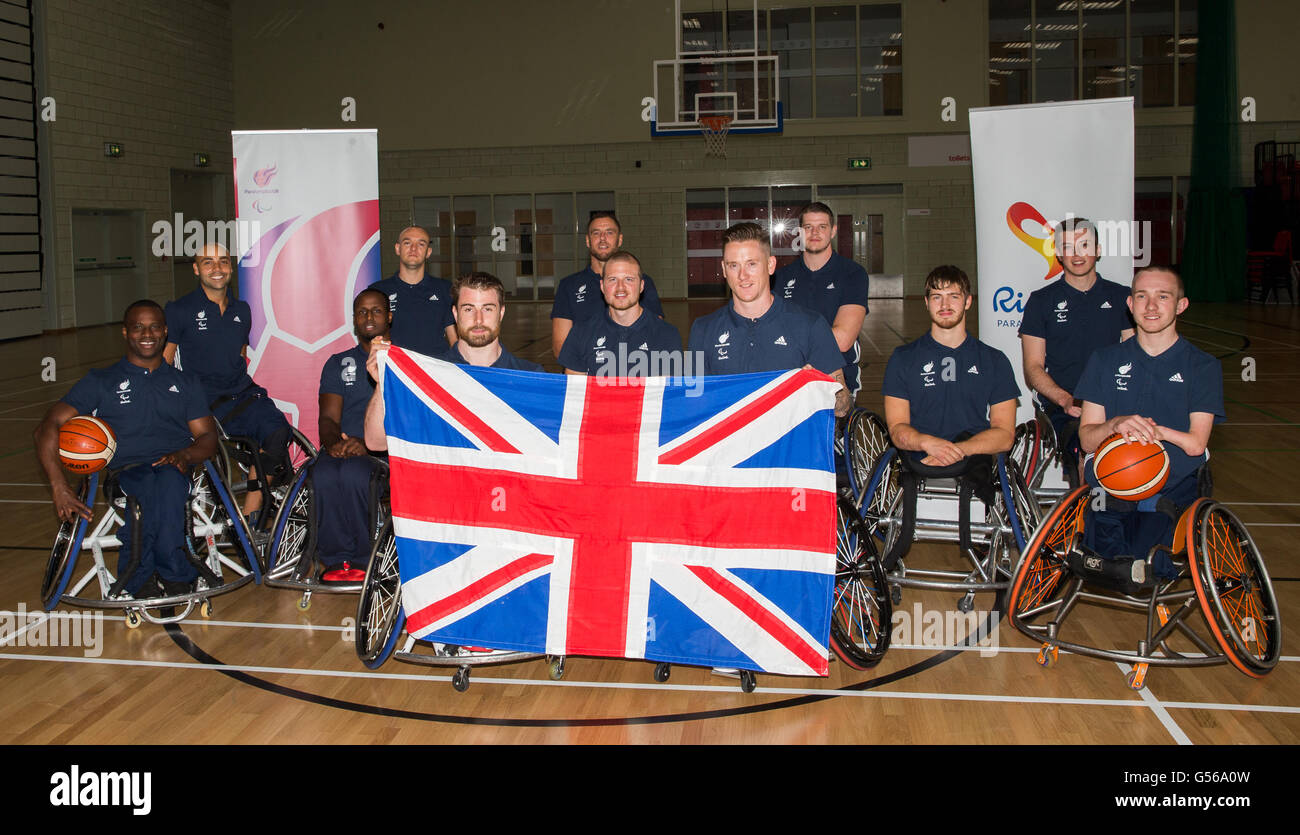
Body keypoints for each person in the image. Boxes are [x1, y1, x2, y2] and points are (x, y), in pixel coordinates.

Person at [35, 300, 218, 597]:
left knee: (169, 481)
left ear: (165, 331)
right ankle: (142, 574)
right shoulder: (100, 381)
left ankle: (173, 573)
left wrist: (186, 454)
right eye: (138, 327)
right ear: (125, 333)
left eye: (155, 326)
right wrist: (59, 486)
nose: (147, 334)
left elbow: (208, 436)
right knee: (148, 485)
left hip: (175, 465)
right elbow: (46, 428)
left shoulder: (185, 381)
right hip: (126, 472)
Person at [1075, 265, 1223, 579]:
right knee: (1104, 556)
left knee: (1151, 561)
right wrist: (1116, 423)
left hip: (1170, 481)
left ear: (1180, 305)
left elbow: (1197, 444)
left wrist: (1156, 432)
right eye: (1142, 296)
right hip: (1111, 482)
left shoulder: (1203, 366)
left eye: (1163, 296)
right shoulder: (1104, 360)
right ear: (1130, 305)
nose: (1151, 306)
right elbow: (1088, 439)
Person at [163, 243, 292, 513]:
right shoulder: (179, 309)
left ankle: (249, 518)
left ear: (230, 268)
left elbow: (240, 355)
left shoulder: (242, 310)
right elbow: (165, 360)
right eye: (208, 262)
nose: (217, 268)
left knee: (278, 432)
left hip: (240, 393)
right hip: (202, 400)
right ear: (197, 269)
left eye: (223, 261)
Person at [365, 272, 542, 451]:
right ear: (455, 314)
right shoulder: (428, 376)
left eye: (487, 309)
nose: (478, 320)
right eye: (468, 309)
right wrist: (382, 383)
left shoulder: (531, 378)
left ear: (501, 313)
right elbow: (376, 442)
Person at [687, 222, 851, 416]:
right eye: (733, 266)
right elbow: (693, 403)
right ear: (724, 269)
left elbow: (842, 408)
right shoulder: (702, 330)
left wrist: (820, 387)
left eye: (752, 264)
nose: (742, 276)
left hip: (790, 444)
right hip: (732, 444)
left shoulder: (810, 325)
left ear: (770, 265)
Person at [1019, 216, 1134, 476]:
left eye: (1084, 245)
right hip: (1066, 402)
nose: (1077, 254)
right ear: (1059, 253)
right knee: (1088, 451)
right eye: (1068, 247)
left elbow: (1134, 355)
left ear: (1097, 250)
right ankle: (1088, 513)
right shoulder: (1041, 301)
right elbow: (1033, 367)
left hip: (1114, 399)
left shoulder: (1121, 296)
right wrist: (1064, 398)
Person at [882, 265, 1020, 466]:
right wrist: (928, 444)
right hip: (921, 459)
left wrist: (954, 452)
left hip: (973, 459)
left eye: (954, 296)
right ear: (927, 303)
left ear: (968, 301)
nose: (945, 305)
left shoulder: (994, 360)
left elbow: (1005, 435)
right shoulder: (902, 358)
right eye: (937, 297)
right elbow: (897, 429)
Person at [310, 288, 392, 582]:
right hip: (343, 446)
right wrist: (334, 444)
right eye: (362, 312)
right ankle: (334, 559)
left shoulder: (404, 361)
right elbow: (328, 417)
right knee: (323, 474)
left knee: (356, 475)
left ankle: (362, 557)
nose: (369, 317)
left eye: (377, 310)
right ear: (354, 320)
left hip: (384, 453)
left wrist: (367, 446)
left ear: (389, 317)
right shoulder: (338, 362)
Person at [772, 202, 869, 397]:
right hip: (791, 380)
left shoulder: (853, 274)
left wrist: (787, 340)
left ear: (832, 231)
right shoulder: (780, 277)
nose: (814, 233)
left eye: (822, 227)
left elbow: (842, 340)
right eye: (808, 227)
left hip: (836, 381)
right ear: (800, 232)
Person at [551, 212, 664, 358]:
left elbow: (657, 336)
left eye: (609, 232)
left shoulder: (642, 282)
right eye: (596, 233)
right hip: (585, 375)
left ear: (620, 239)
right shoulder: (569, 286)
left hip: (630, 373)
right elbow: (560, 346)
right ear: (587, 240)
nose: (602, 238)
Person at [557, 250, 682, 378]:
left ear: (641, 286)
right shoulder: (581, 332)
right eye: (612, 279)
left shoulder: (666, 335)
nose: (620, 287)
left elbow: (667, 394)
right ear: (602, 286)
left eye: (629, 279)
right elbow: (575, 392)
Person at [368, 225, 458, 357]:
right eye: (407, 243)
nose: (413, 248)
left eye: (421, 244)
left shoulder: (445, 289)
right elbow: (371, 339)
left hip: (435, 371)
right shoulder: (378, 291)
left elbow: (454, 340)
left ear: (428, 252)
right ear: (398, 249)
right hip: (395, 371)